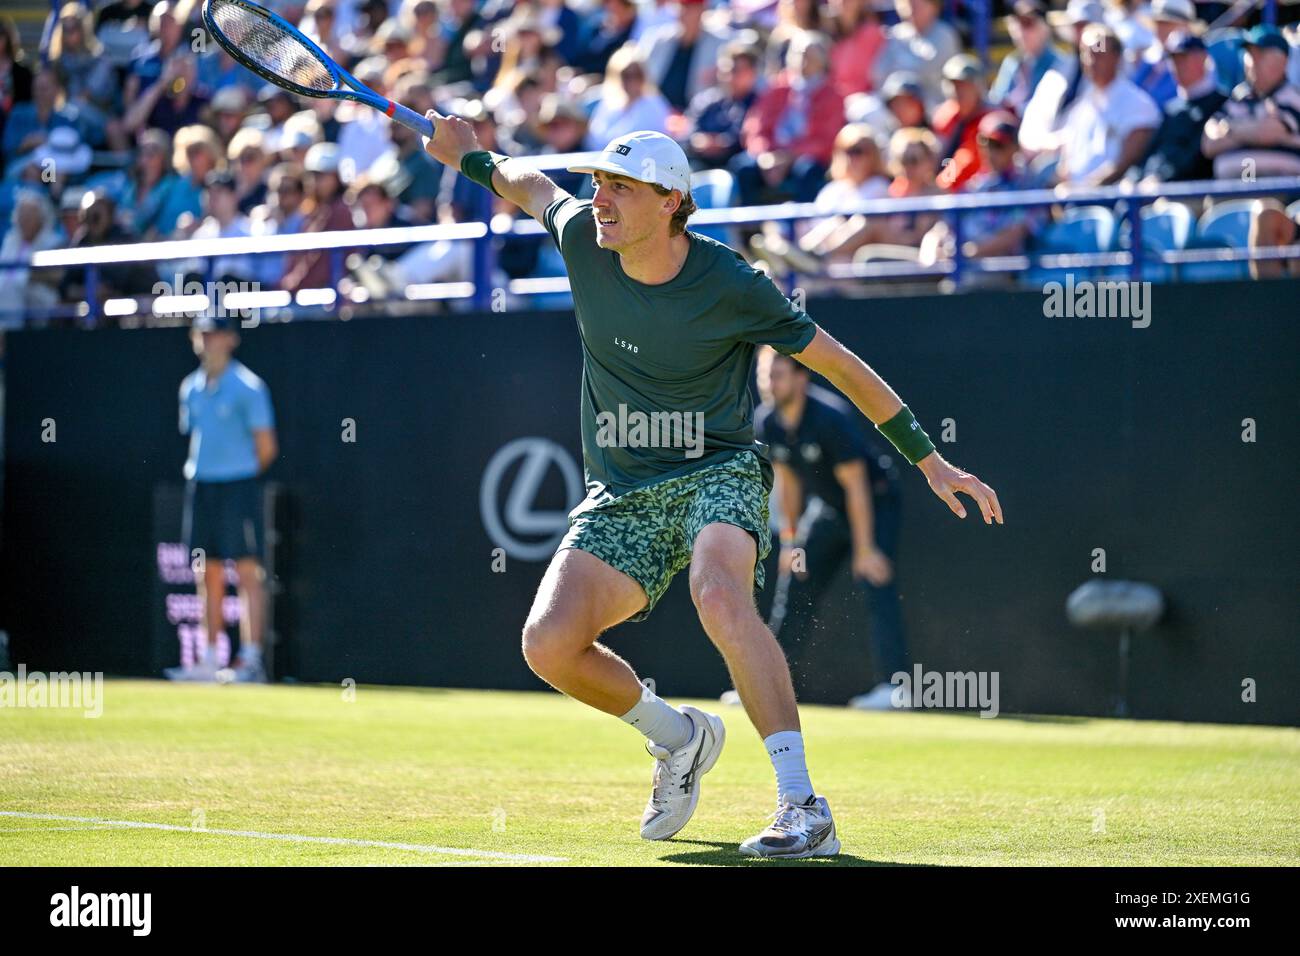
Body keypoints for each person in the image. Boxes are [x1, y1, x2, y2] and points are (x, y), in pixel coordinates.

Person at [421, 115, 1003, 857]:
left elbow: (840, 364)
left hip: (717, 472)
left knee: (720, 594)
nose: (599, 198)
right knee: (548, 644)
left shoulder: (732, 282)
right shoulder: (581, 238)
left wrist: (929, 459)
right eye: (598, 182)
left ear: (670, 202)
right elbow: (528, 183)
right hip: (621, 491)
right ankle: (679, 738)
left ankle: (803, 804)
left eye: (620, 188)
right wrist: (470, 155)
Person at [720, 347, 909, 711]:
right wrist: (791, 541)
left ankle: (895, 688)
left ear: (801, 378)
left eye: (777, 375)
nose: (768, 384)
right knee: (795, 582)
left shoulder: (830, 419)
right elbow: (789, 482)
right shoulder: (768, 421)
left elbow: (856, 486)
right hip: (825, 509)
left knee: (875, 581)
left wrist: (865, 548)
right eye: (763, 376)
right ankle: (766, 686)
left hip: (874, 501)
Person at [166, 314, 278, 683]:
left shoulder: (249, 387)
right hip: (202, 486)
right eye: (202, 334)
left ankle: (251, 660)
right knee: (206, 571)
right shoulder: (190, 388)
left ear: (231, 339)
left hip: (238, 486)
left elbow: (266, 447)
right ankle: (209, 659)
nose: (207, 341)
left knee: (247, 571)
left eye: (214, 334)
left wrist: (238, 473)